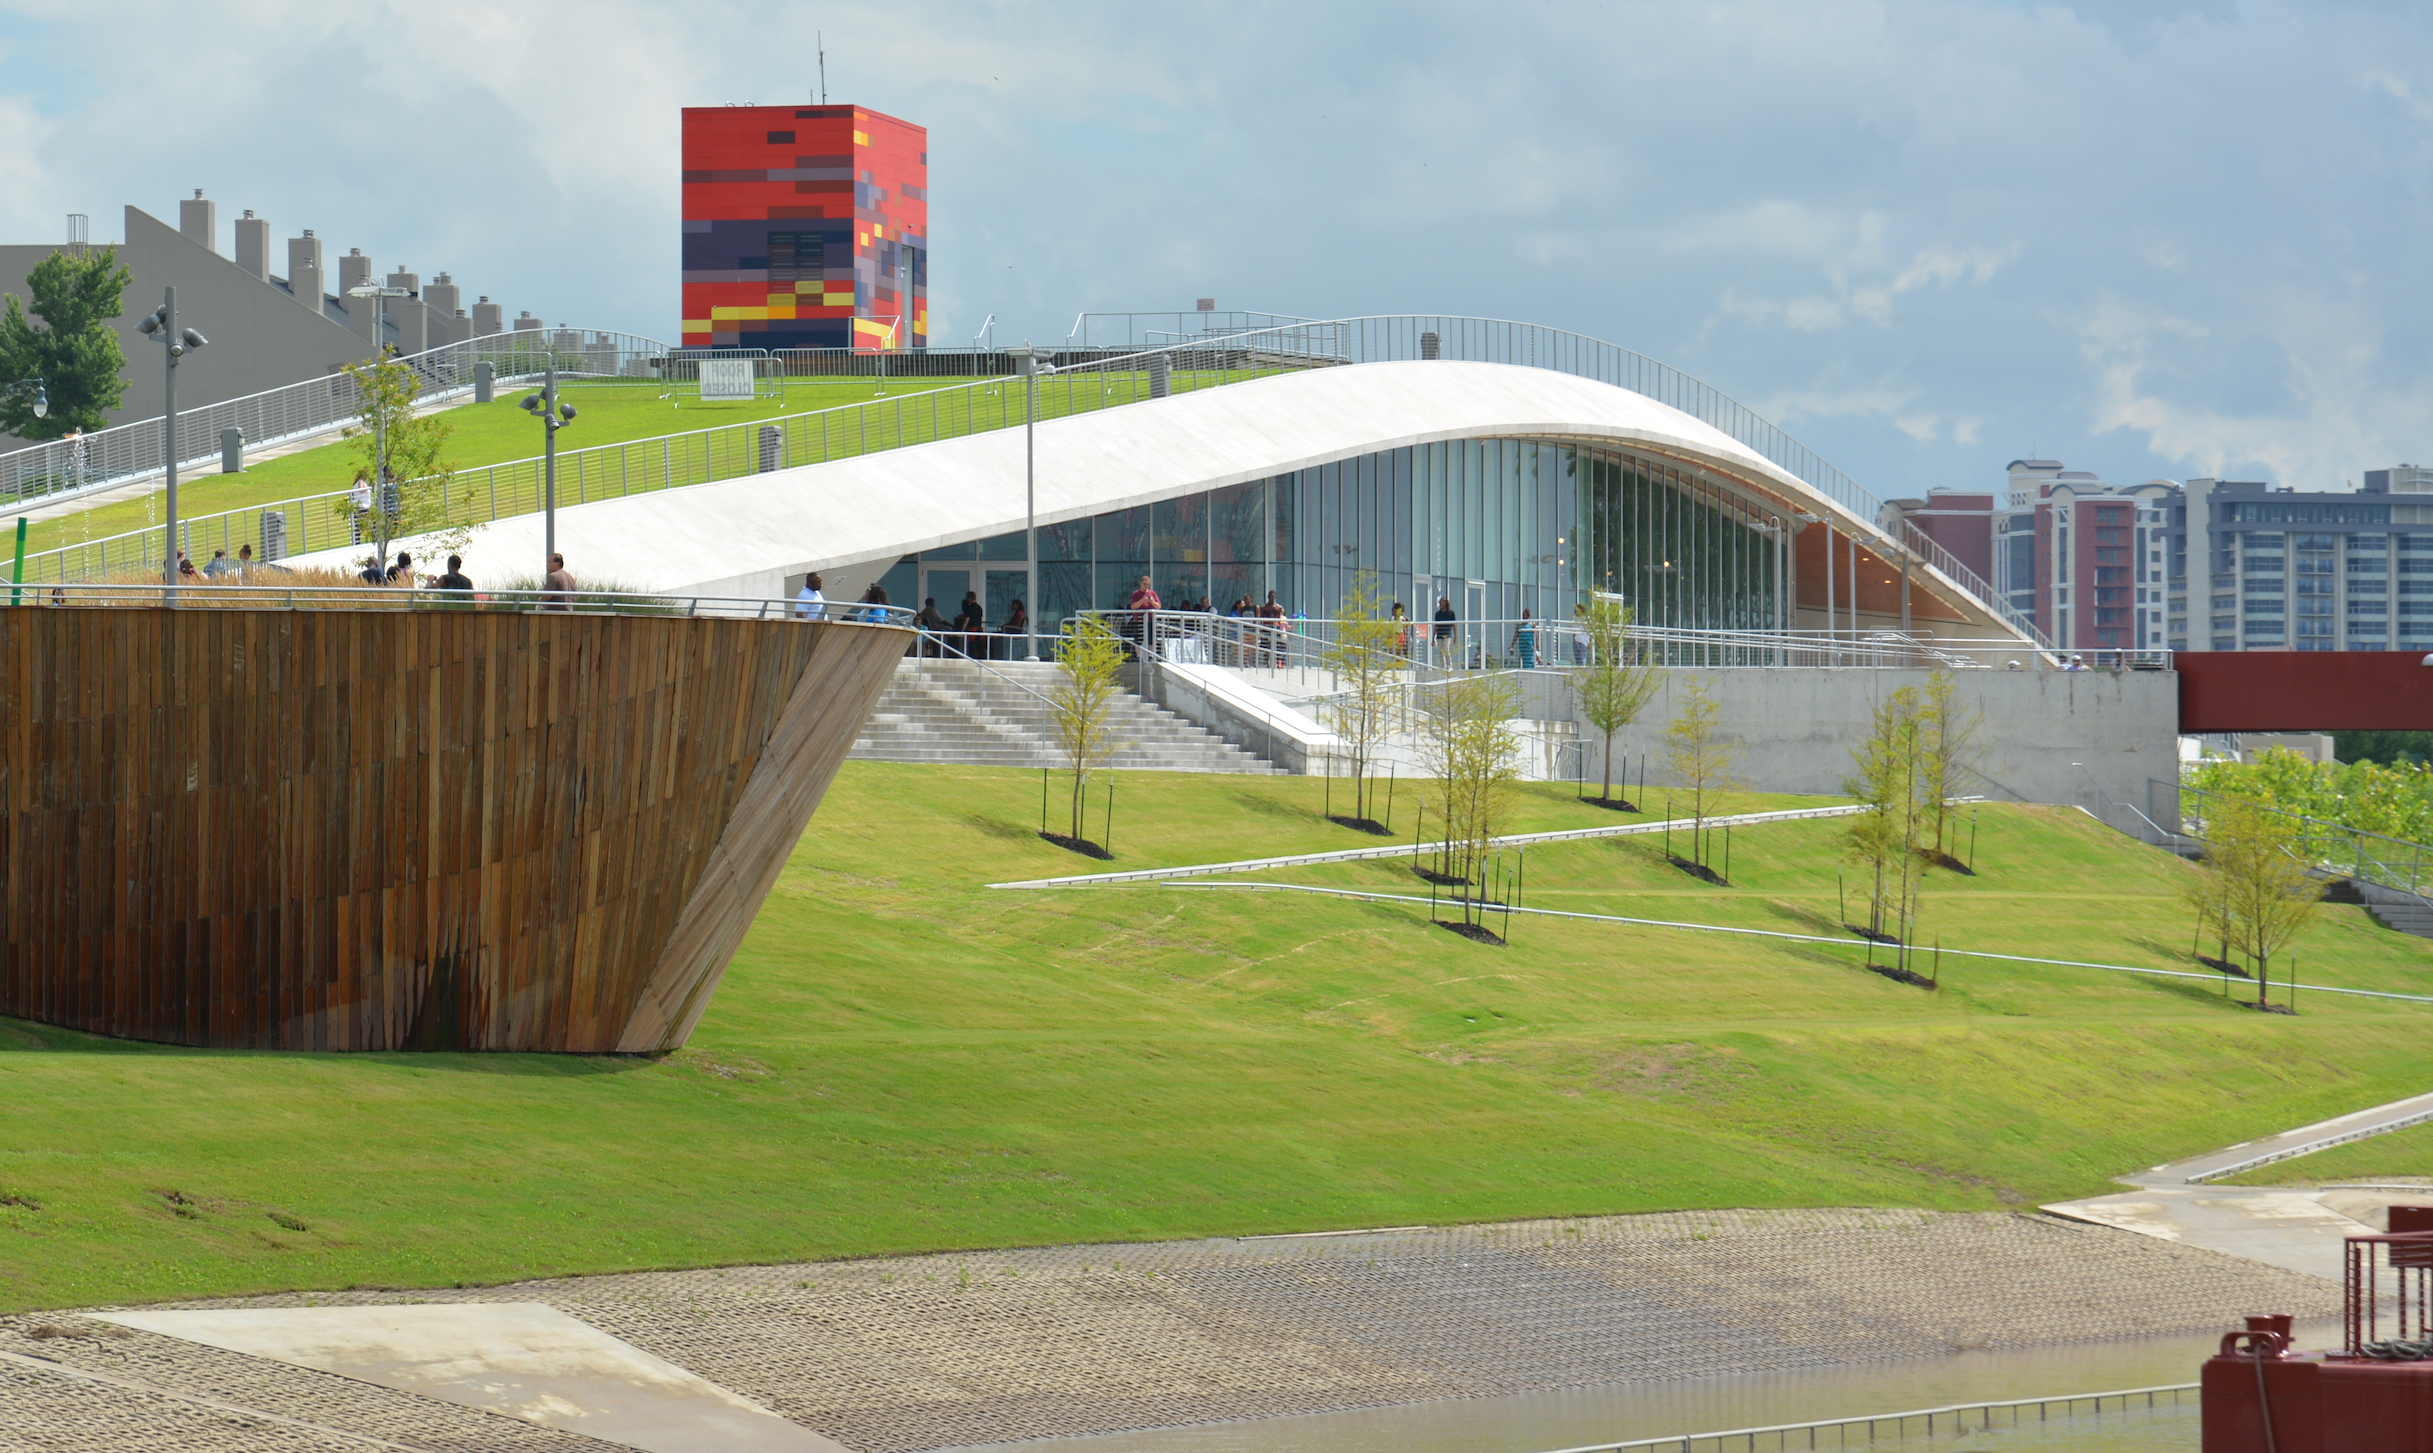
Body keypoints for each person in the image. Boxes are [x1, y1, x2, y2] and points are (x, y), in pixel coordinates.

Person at [955, 590, 986, 658]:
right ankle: (983, 657)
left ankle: (972, 657)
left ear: (969, 598)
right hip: (979, 628)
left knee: (972, 644)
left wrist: (962, 630)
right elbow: (980, 618)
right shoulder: (979, 607)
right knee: (979, 644)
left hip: (972, 628)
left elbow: (967, 620)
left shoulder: (970, 608)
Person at [349, 470, 374, 544]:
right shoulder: (361, 481)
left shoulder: (356, 483)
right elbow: (361, 489)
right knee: (372, 524)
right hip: (363, 507)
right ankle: (374, 540)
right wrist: (370, 487)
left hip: (358, 507)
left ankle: (356, 543)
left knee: (357, 527)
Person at [1433, 596, 1457, 668]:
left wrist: (1455, 636)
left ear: (1445, 603)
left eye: (1441, 602)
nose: (1440, 604)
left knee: (1446, 650)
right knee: (1441, 651)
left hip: (1447, 634)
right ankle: (1443, 666)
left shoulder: (1451, 613)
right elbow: (1436, 626)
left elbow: (1454, 625)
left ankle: (1449, 665)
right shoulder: (1438, 614)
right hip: (1439, 635)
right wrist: (1433, 637)